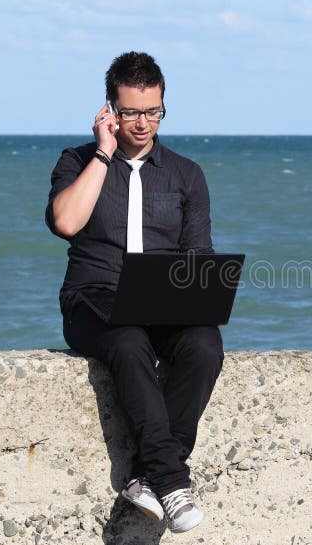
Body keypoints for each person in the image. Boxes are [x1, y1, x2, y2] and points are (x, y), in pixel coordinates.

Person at [44, 51, 223, 533]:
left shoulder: (186, 175)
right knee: (127, 340)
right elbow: (65, 222)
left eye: (153, 111)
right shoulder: (78, 161)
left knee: (204, 344)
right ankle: (172, 479)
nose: (142, 124)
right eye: (130, 112)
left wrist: (198, 294)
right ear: (109, 109)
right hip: (92, 298)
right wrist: (104, 152)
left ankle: (149, 478)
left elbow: (196, 258)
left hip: (161, 301)